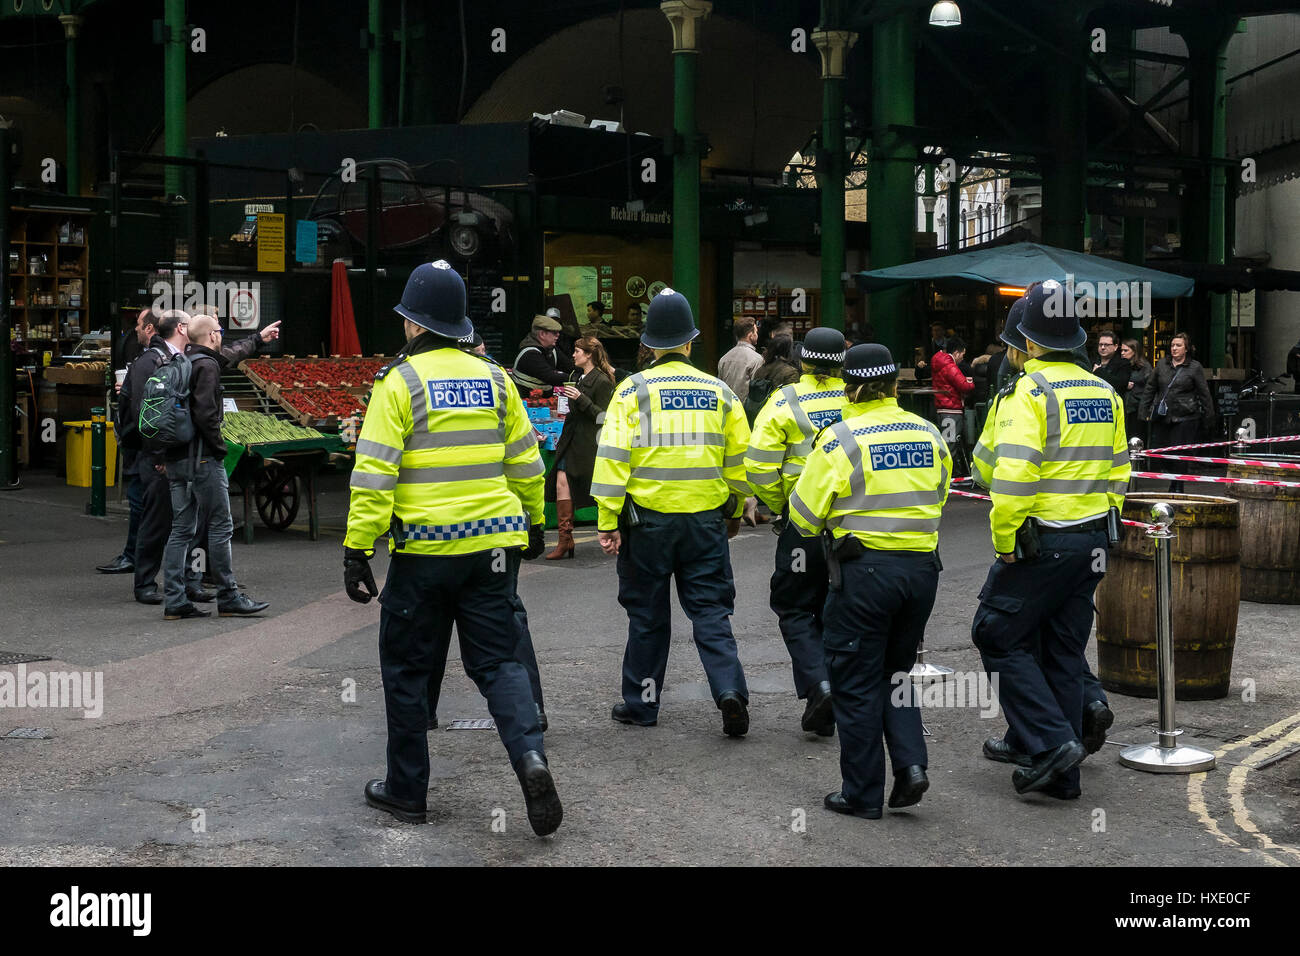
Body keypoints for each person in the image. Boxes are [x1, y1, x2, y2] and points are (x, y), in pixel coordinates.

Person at [343, 260, 561, 835]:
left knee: (409, 668)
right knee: (499, 662)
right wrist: (535, 522)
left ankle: (407, 791)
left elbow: (374, 476)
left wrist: (358, 548)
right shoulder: (494, 378)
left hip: (423, 554)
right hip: (494, 548)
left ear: (414, 324)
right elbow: (526, 461)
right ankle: (530, 759)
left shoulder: (399, 383)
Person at [969, 281, 1129, 800]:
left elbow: (1009, 479)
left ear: (1030, 345)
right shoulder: (1104, 392)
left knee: (997, 634)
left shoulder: (1029, 394)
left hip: (1043, 542)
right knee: (1062, 650)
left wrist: (1005, 541)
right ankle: (1063, 776)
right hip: (1092, 542)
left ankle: (1049, 742)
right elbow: (1119, 474)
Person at [787, 342, 949, 819]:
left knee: (855, 683)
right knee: (894, 673)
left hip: (864, 575)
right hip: (921, 572)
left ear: (850, 387)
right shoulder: (927, 432)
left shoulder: (840, 439)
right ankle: (911, 767)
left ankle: (861, 795)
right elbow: (940, 493)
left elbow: (803, 516)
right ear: (894, 385)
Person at [591, 287, 753, 736]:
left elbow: (612, 461)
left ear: (649, 344)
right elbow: (738, 462)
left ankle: (642, 706)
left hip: (648, 525)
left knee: (647, 618)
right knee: (711, 613)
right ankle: (729, 691)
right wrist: (734, 509)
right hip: (705, 522)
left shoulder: (632, 391)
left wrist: (607, 522)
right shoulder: (720, 393)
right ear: (689, 341)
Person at [745, 326, 848, 736]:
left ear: (803, 361)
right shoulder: (855, 399)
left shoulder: (784, 400)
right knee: (834, 607)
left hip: (802, 525)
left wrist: (780, 505)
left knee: (793, 606)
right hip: (847, 525)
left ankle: (819, 685)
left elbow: (758, 465)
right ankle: (833, 689)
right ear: (843, 362)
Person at [160, 315, 270, 621]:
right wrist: (220, 449)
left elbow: (228, 356)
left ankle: (175, 600)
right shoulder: (206, 367)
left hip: (178, 458)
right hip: (203, 459)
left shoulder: (183, 361)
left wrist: (257, 339)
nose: (221, 335)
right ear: (211, 335)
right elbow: (207, 414)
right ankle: (229, 596)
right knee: (221, 527)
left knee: (181, 530)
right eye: (219, 331)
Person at [546, 335, 616, 560]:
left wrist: (581, 398)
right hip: (570, 440)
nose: (573, 355)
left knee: (594, 489)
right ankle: (565, 539)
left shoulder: (603, 381)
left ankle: (617, 530)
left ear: (589, 355)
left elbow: (604, 416)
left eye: (577, 351)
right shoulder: (577, 376)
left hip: (588, 444)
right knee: (560, 482)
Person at [1140, 331, 1214, 457]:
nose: (1174, 348)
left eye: (1178, 345)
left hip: (1185, 417)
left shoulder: (1194, 367)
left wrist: (1209, 419)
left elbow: (1204, 394)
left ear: (1186, 349)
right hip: (1163, 417)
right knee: (1160, 456)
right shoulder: (1162, 364)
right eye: (1172, 345)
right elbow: (1150, 388)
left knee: (1180, 456)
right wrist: (1143, 411)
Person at [931, 336, 974, 463]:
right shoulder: (949, 365)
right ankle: (948, 478)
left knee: (945, 445)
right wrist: (971, 380)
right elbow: (965, 386)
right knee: (950, 447)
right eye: (962, 354)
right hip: (951, 411)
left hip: (942, 409)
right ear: (956, 353)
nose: (962, 358)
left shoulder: (939, 361)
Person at [510, 314, 573, 396]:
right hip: (526, 402)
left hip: (543, 401)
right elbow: (551, 377)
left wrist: (586, 372)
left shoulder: (551, 349)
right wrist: (578, 378)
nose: (558, 335)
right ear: (542, 334)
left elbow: (569, 367)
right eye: (554, 333)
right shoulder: (530, 354)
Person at [745, 335, 801, 422]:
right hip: (780, 417)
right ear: (788, 350)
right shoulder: (791, 372)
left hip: (760, 415)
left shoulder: (761, 369)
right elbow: (793, 401)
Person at [717, 317, 764, 403]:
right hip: (746, 411)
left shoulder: (724, 359)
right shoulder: (757, 359)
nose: (757, 335)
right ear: (750, 335)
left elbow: (720, 386)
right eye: (756, 332)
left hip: (727, 407)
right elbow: (757, 391)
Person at [1121, 339, 1151, 445]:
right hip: (1124, 407)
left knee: (1137, 438)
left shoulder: (1144, 367)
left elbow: (1150, 388)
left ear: (1134, 351)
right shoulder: (1122, 365)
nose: (1122, 353)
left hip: (1138, 408)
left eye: (1125, 350)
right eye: (1121, 350)